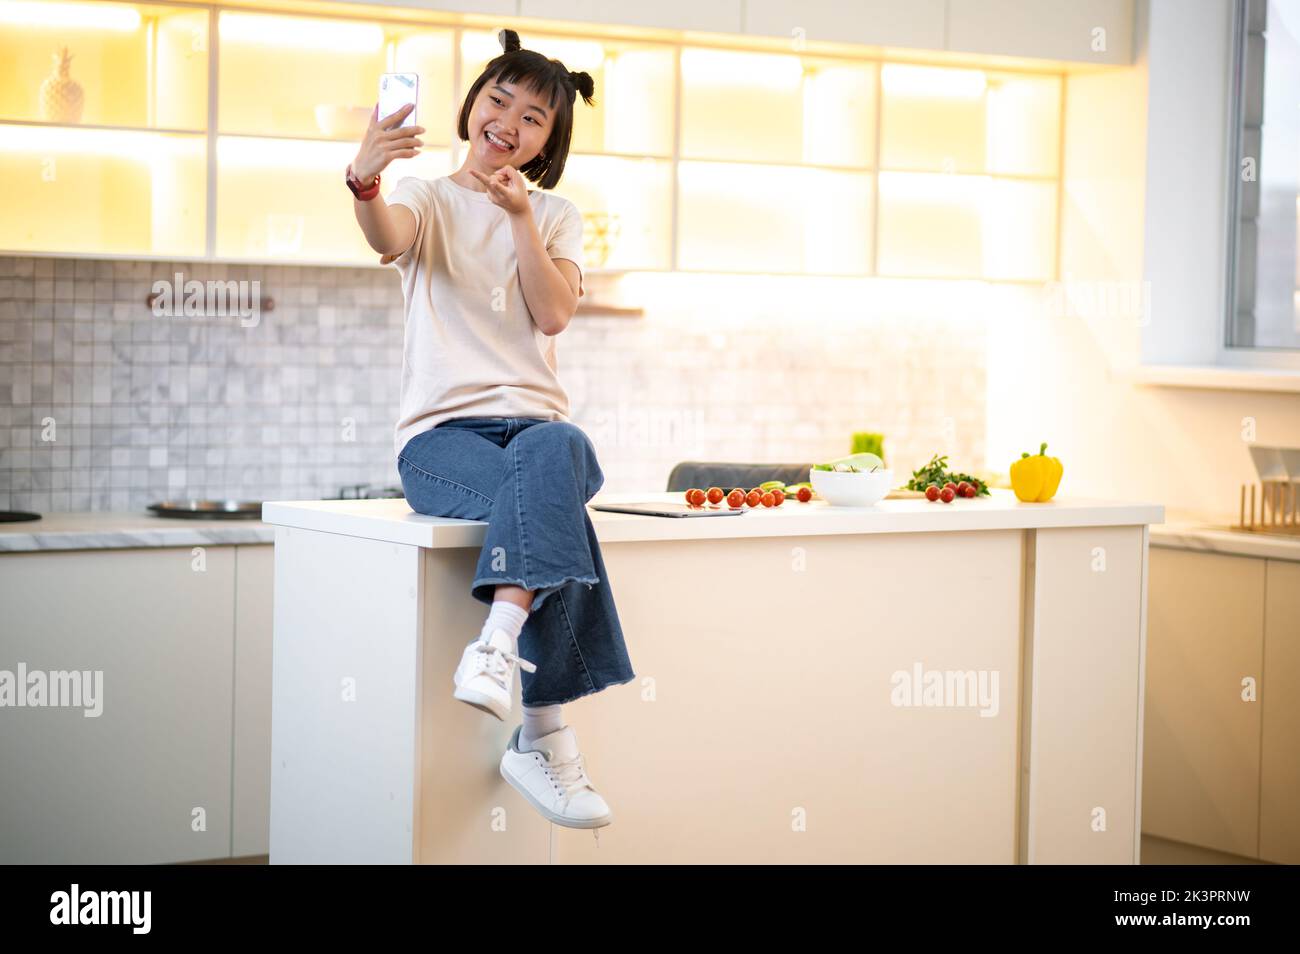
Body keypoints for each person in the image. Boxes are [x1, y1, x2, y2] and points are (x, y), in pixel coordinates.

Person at [348, 28, 634, 830]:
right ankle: (544, 737)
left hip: (534, 433)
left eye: (534, 116)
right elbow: (388, 237)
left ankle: (497, 639)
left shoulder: (556, 216)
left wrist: (517, 218)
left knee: (559, 446)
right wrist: (365, 182)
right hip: (441, 443)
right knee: (556, 498)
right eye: (498, 99)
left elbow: (553, 313)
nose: (509, 120)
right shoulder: (427, 197)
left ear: (550, 142)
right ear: (472, 106)